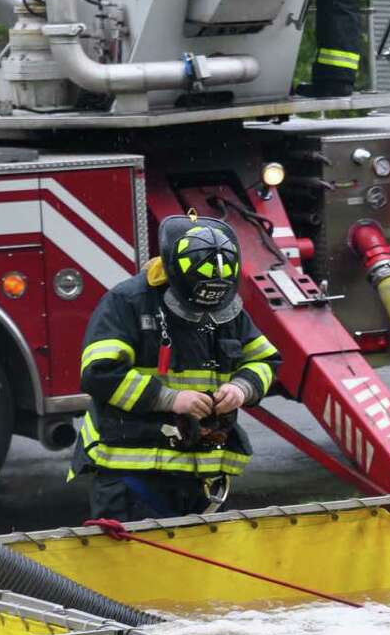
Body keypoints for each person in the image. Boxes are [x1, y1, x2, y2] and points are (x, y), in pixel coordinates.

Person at [71, 216, 280, 521]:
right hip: (132, 478)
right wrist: (170, 399)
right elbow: (99, 373)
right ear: (173, 276)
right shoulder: (128, 302)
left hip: (200, 481)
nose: (202, 312)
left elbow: (265, 361)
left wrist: (241, 388)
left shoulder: (224, 306)